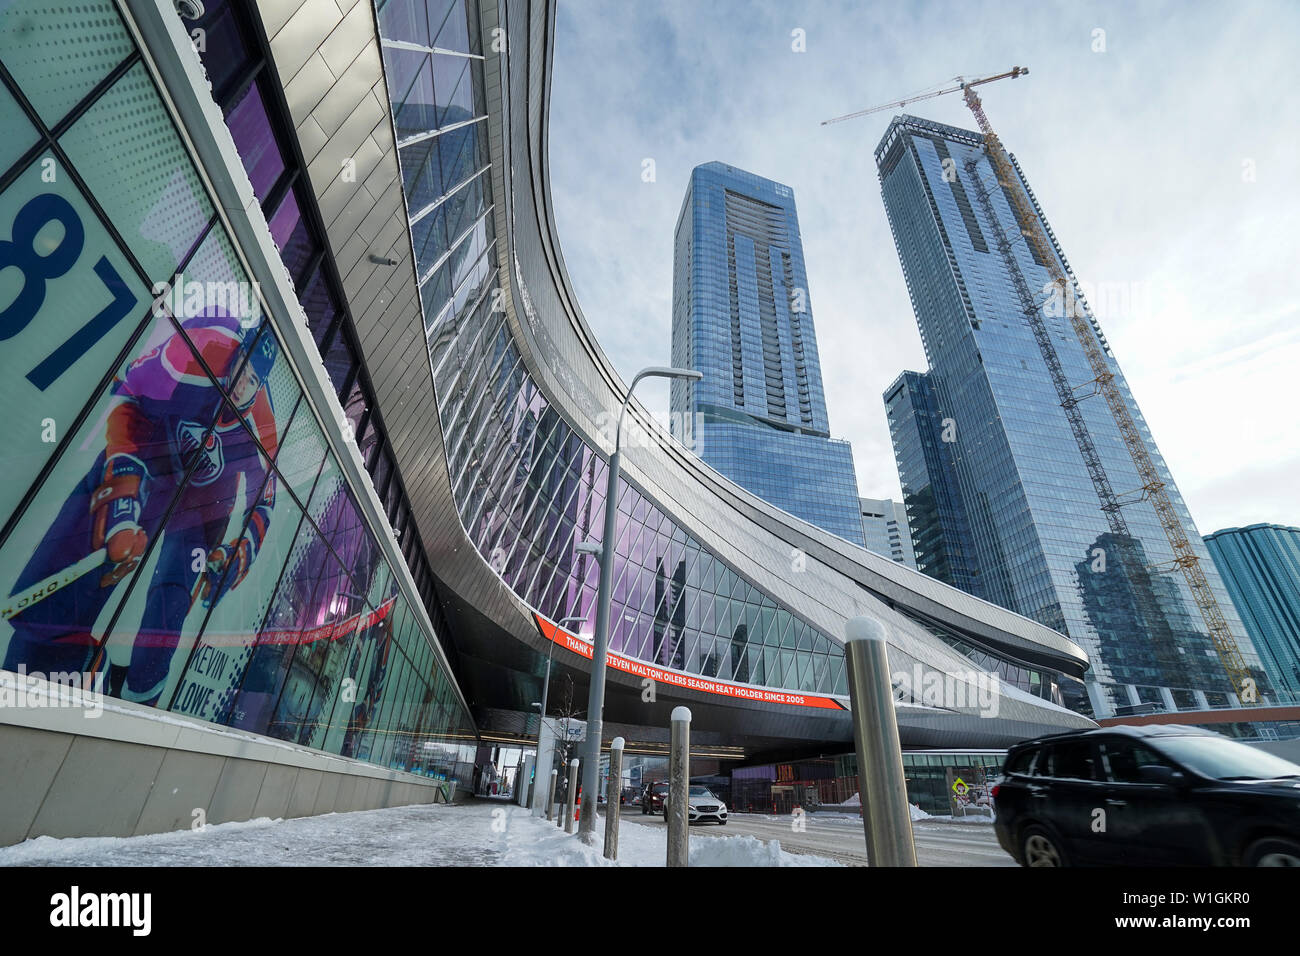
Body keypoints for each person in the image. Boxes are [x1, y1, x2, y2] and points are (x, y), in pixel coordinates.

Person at [2, 310, 279, 706]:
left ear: (261, 387)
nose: (240, 385)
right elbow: (129, 388)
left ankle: (139, 698)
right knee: (83, 563)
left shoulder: (260, 427)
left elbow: (266, 497)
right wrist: (123, 490)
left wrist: (235, 555)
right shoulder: (199, 350)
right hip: (153, 450)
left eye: (253, 379)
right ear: (233, 355)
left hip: (203, 501)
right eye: (240, 368)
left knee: (171, 602)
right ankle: (43, 658)